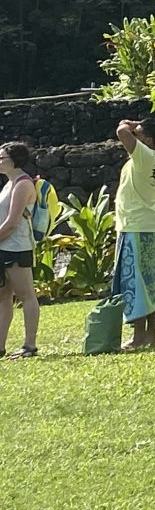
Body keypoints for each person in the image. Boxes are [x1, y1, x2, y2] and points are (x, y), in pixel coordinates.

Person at [113, 115, 155, 349]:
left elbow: (121, 131)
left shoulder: (145, 155)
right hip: (145, 225)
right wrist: (140, 127)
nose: (134, 137)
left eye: (139, 135)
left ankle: (139, 337)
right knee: (148, 280)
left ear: (147, 140)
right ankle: (150, 335)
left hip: (135, 226)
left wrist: (132, 126)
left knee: (135, 281)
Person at [0, 143, 40, 359]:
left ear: (15, 160)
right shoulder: (8, 184)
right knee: (3, 297)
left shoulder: (23, 183)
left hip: (17, 248)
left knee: (26, 296)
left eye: (2, 158)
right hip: (3, 247)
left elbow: (12, 222)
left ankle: (29, 345)